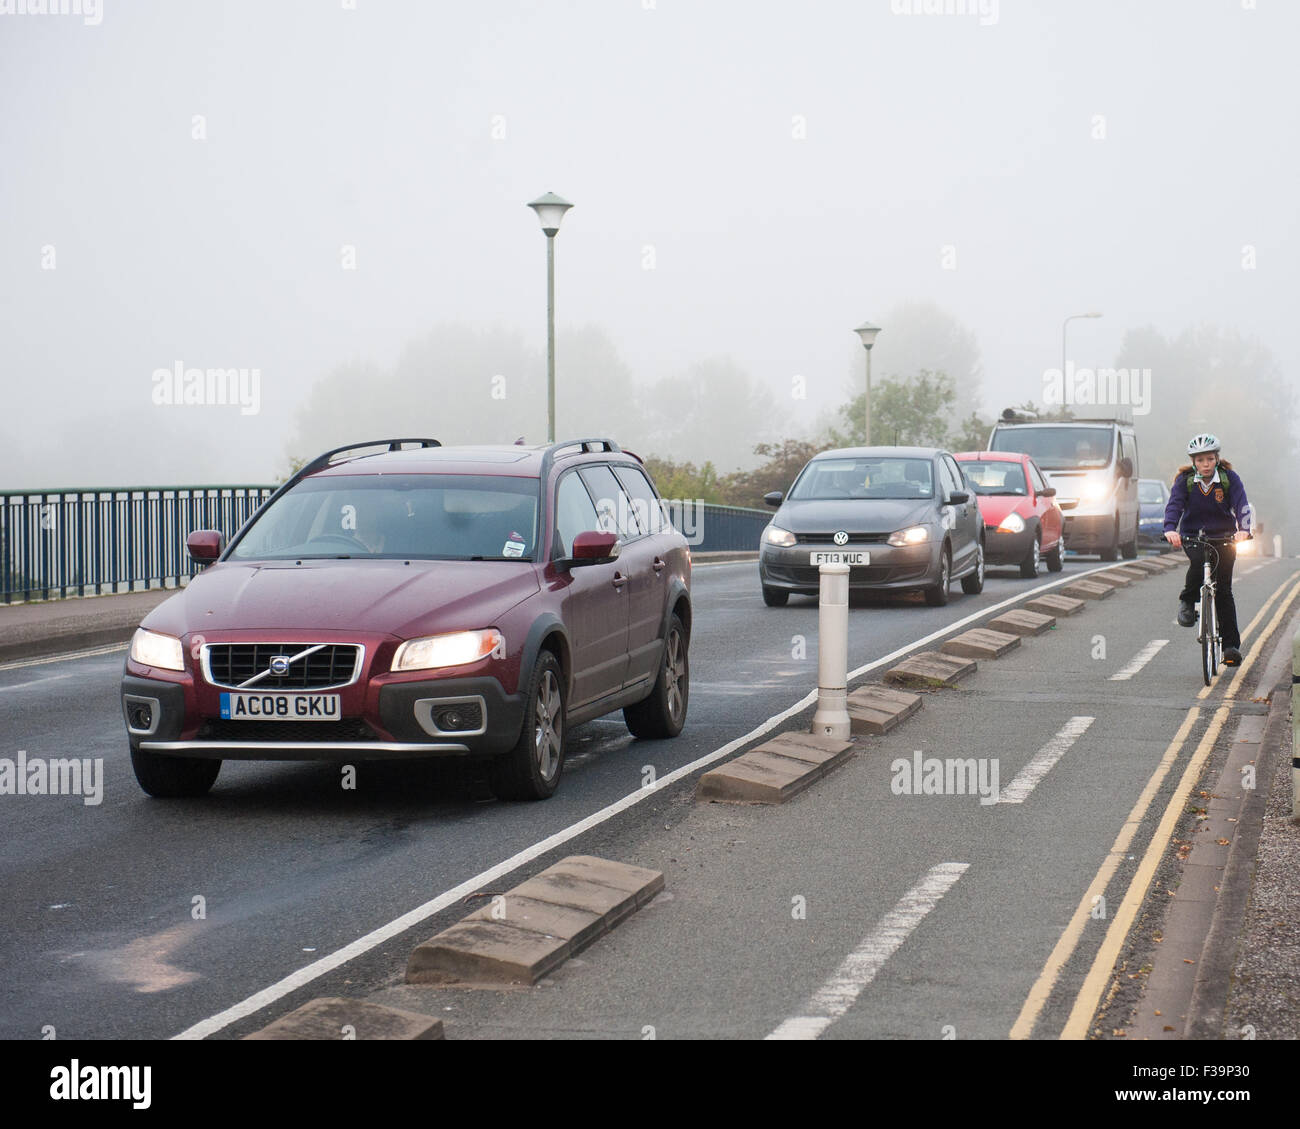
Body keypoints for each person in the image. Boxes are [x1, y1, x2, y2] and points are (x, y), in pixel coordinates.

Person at [1162, 433, 1252, 665]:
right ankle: (1187, 600)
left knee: (1223, 591)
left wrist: (1244, 529)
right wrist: (1170, 529)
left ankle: (1230, 647)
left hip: (1224, 537)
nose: (1205, 465)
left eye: (1210, 459)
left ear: (1217, 459)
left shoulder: (1229, 478)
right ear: (1193, 461)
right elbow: (1174, 506)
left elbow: (1242, 505)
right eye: (1200, 460)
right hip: (1194, 537)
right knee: (1197, 564)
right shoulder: (1185, 480)